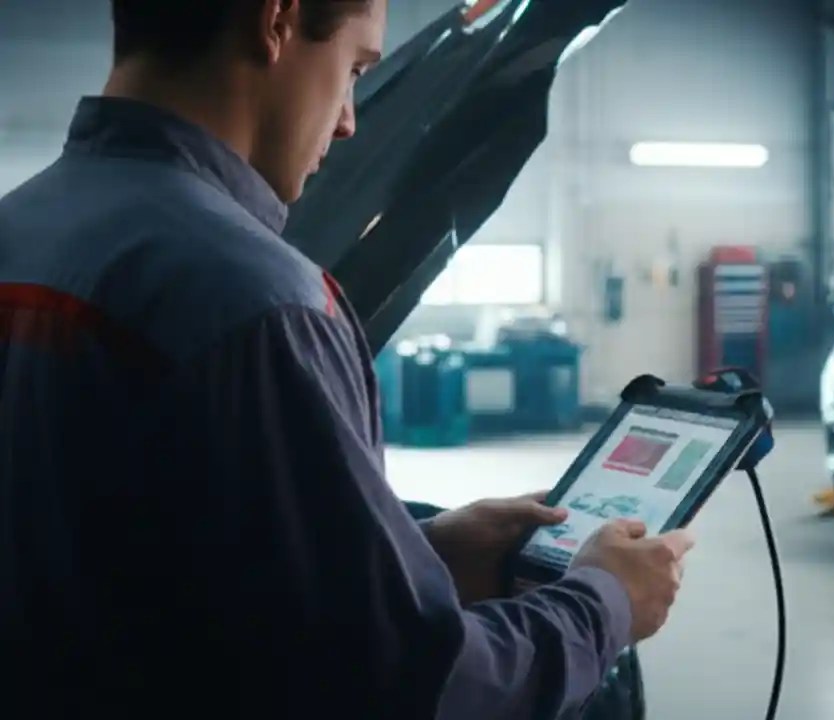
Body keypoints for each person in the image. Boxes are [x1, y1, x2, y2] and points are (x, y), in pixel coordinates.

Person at [0, 0, 694, 717]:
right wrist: (604, 603)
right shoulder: (257, 303)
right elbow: (406, 687)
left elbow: (132, 562)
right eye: (355, 70)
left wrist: (416, 553)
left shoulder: (20, 230)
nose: (348, 122)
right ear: (277, 21)